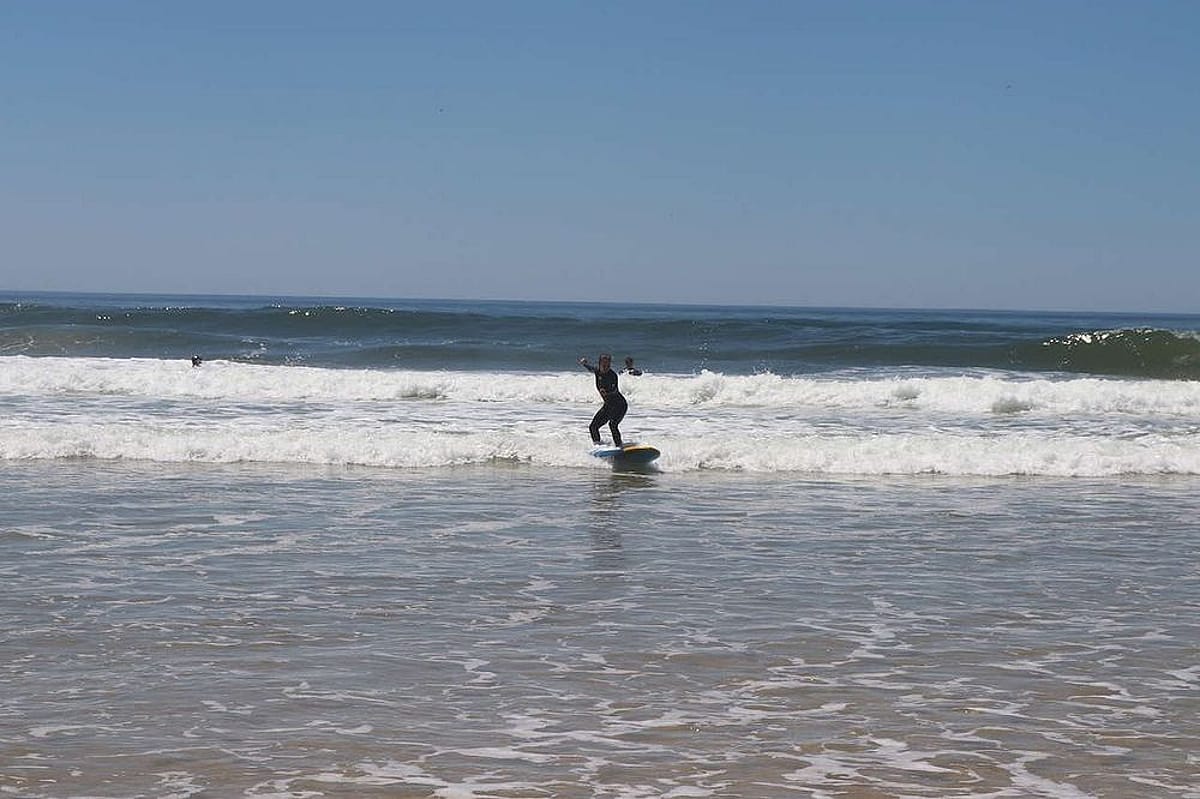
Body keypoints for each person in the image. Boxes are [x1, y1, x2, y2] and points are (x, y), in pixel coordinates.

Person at [579, 353, 627, 447]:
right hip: (608, 405)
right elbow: (591, 368)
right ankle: (598, 447)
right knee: (593, 427)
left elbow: (615, 390)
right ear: (600, 363)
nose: (606, 367)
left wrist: (607, 392)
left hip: (620, 405)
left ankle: (619, 446)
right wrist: (584, 364)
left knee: (613, 425)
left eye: (608, 365)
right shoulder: (597, 371)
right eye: (604, 365)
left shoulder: (612, 375)